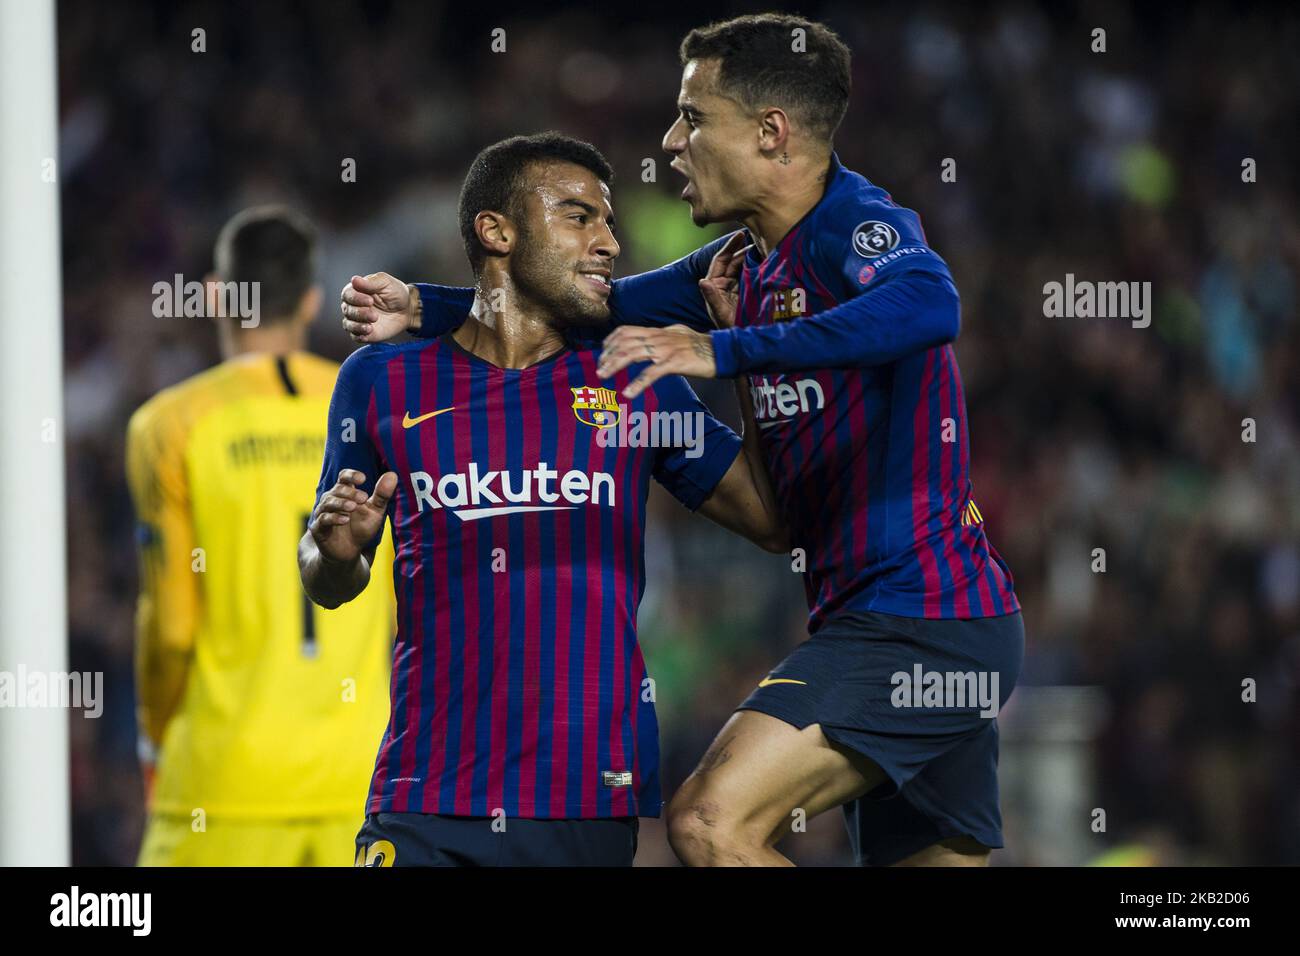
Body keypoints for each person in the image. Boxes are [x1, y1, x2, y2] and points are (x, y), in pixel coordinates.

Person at [344, 14, 1023, 868]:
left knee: (707, 822)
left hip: (919, 622)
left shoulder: (858, 227)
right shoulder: (743, 262)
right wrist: (429, 308)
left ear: (771, 134)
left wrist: (721, 349)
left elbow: (932, 308)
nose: (671, 142)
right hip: (906, 622)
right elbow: (591, 302)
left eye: (694, 117)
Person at [300, 133, 786, 867]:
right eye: (578, 217)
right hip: (426, 797)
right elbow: (326, 577)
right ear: (496, 231)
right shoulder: (379, 381)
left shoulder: (633, 378)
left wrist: (742, 350)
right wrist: (334, 551)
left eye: (609, 222)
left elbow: (770, 519)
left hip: (584, 801)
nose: (609, 243)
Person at [128, 206, 396, 866]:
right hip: (358, 777)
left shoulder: (171, 424)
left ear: (218, 295)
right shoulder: (374, 410)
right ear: (309, 300)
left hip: (224, 780)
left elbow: (169, 629)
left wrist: (154, 739)